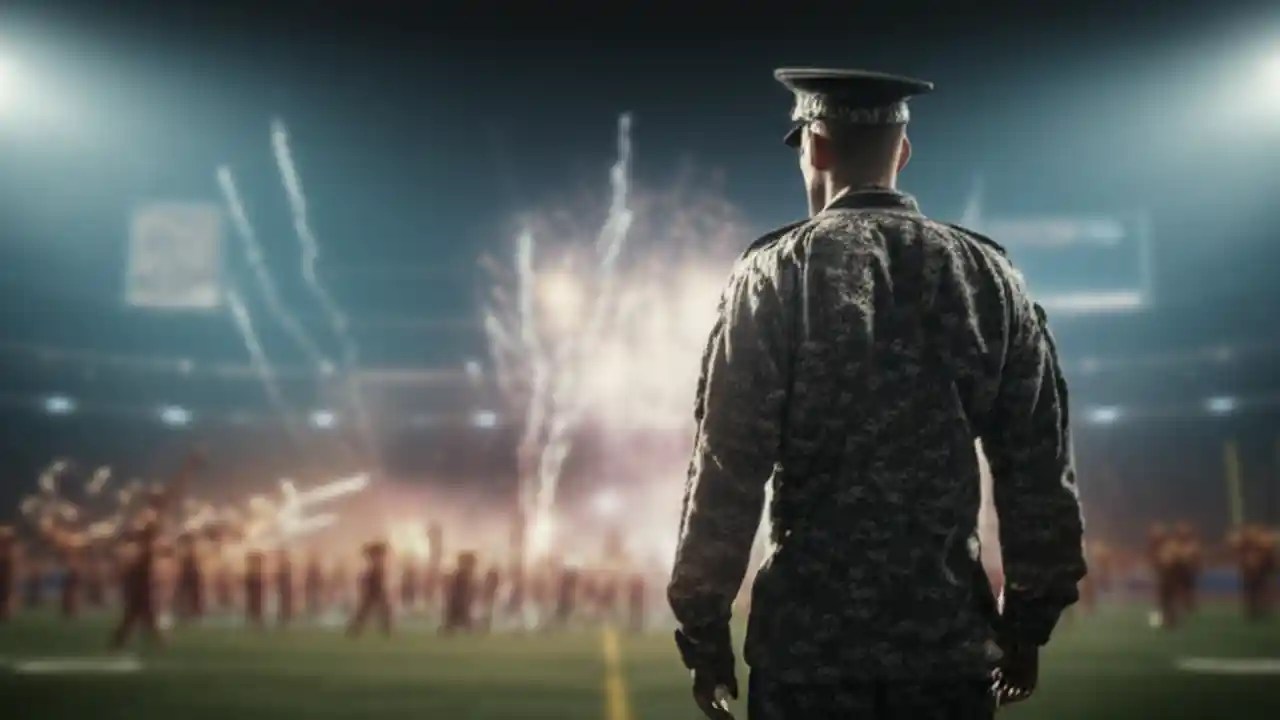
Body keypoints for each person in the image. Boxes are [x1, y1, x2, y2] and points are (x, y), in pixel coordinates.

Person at [666, 68, 1087, 719]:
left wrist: (704, 630)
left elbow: (727, 466)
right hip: (946, 651)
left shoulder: (775, 274)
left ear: (815, 145)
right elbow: (1039, 467)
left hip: (809, 656)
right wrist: (1028, 622)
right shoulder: (989, 275)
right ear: (903, 151)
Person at [109, 515, 163, 649]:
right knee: (140, 616)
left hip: (139, 587)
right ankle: (157, 641)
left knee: (138, 616)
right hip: (141, 587)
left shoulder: (143, 548)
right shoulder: (145, 548)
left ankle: (119, 641)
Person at [348, 541, 392, 637]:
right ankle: (354, 629)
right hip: (373, 590)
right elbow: (367, 580)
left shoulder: (377, 565)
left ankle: (387, 629)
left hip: (377, 590)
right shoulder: (374, 566)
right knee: (365, 611)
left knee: (383, 610)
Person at [244, 550, 266, 631]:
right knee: (252, 604)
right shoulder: (251, 575)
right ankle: (253, 621)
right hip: (253, 593)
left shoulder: (257, 575)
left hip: (256, 593)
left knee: (256, 604)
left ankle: (256, 621)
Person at [0, 526, 17, 621]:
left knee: (5, 593)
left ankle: (6, 612)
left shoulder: (9, 552)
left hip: (5, 576)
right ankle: (5, 612)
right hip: (4, 574)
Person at [276, 549, 295, 627]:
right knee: (282, 603)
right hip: (283, 590)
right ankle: (283, 618)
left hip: (287, 589)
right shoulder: (281, 567)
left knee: (286, 603)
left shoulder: (288, 565)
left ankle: (286, 617)